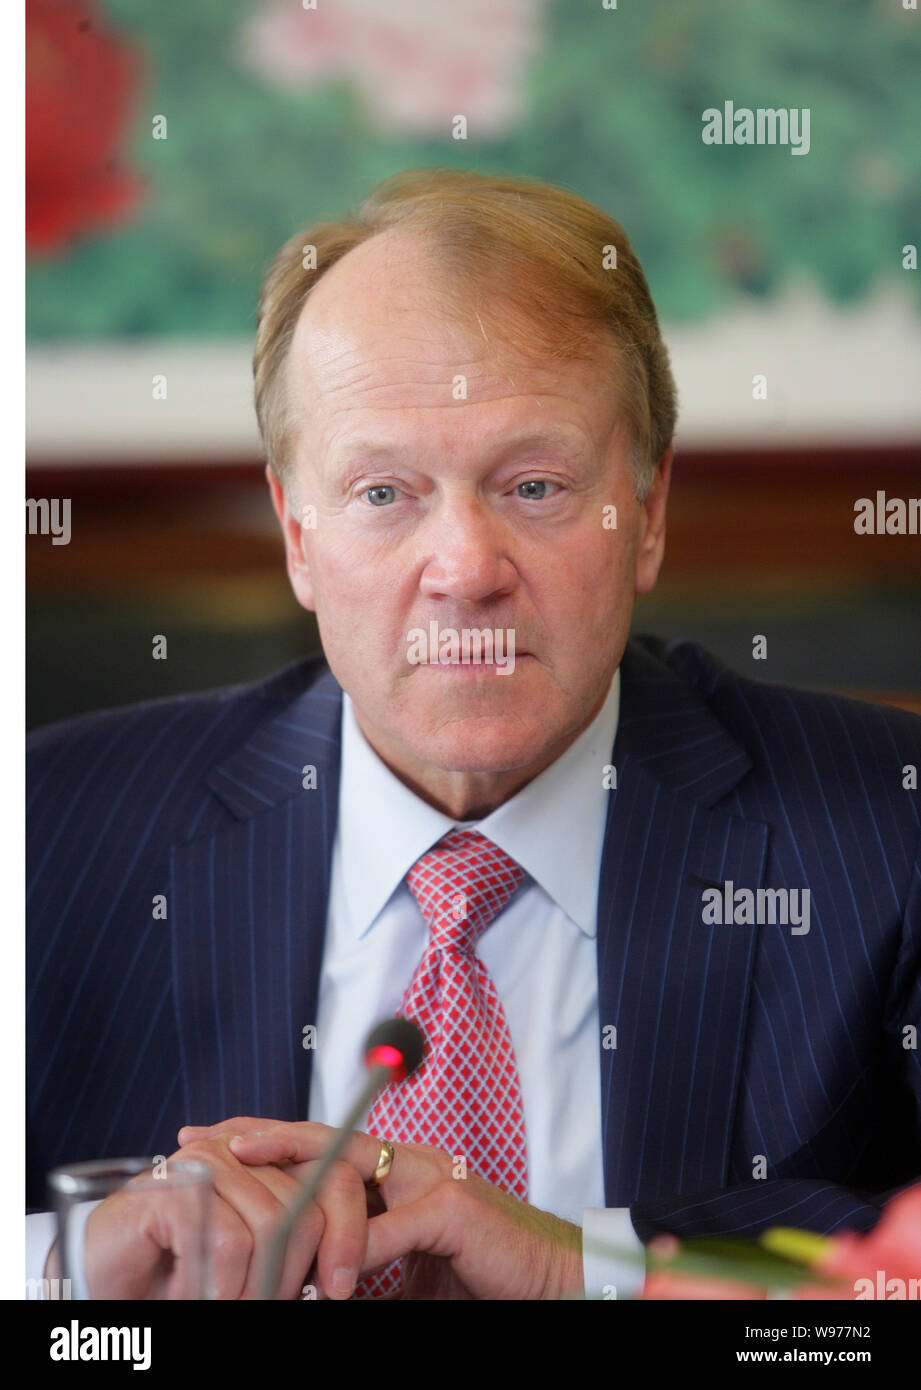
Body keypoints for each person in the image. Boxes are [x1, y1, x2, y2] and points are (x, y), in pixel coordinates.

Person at [27, 168, 921, 1300]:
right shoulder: (48, 834)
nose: (465, 569)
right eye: (384, 493)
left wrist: (584, 1272)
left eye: (536, 484)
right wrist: (56, 1270)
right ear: (298, 536)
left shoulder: (892, 831)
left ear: (646, 513)